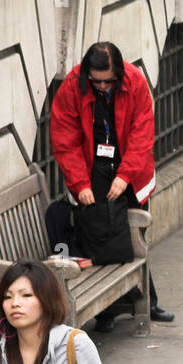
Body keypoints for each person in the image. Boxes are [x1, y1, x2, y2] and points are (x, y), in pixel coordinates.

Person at [48, 41, 174, 329]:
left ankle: (146, 300)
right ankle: (108, 311)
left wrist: (125, 176)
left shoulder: (134, 82)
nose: (103, 87)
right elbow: (65, 140)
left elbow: (142, 133)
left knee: (133, 234)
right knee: (99, 234)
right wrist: (80, 183)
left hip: (129, 168)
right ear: (87, 75)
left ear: (118, 73)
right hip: (94, 169)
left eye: (108, 81)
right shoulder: (72, 87)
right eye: (96, 82)